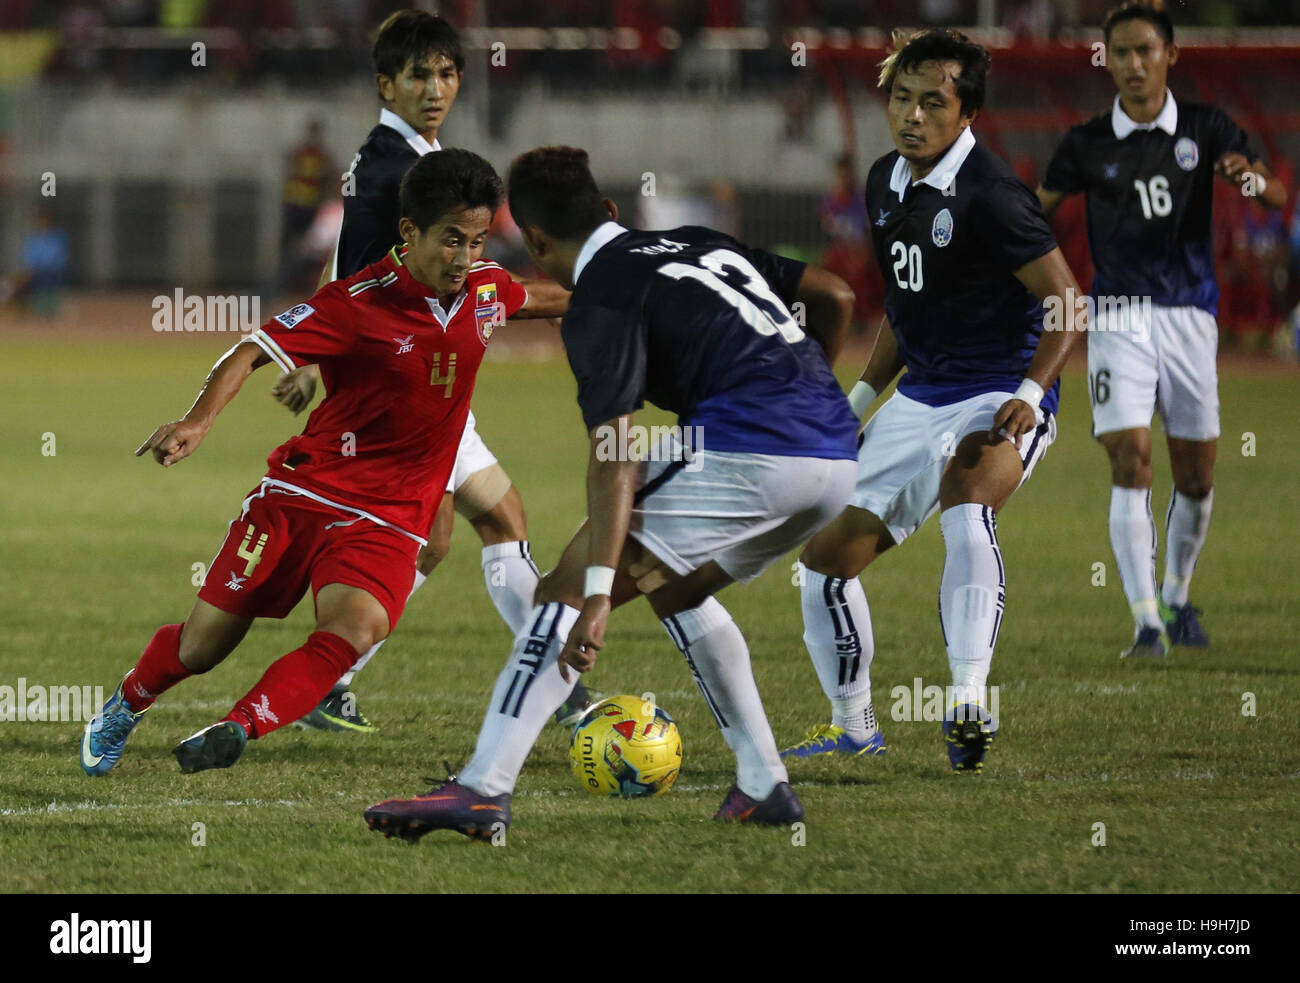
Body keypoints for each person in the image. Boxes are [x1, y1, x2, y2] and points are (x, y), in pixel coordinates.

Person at [363, 146, 860, 839]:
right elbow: (834, 294)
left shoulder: (602, 296)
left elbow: (614, 455)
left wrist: (595, 592)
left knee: (558, 592)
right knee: (676, 589)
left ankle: (481, 788)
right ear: (610, 211)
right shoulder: (696, 241)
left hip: (756, 450)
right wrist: (812, 397)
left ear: (533, 243)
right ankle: (763, 783)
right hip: (837, 452)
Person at [80, 149, 568, 777]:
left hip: (391, 515)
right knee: (202, 646)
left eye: (476, 241)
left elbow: (545, 297)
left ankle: (239, 725)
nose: (465, 258)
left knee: (356, 629)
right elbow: (249, 352)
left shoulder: (486, 289)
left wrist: (626, 292)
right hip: (303, 494)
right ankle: (128, 702)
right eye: (452, 240)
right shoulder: (354, 303)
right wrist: (198, 419)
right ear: (410, 232)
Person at [271, 10, 590, 731]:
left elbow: (344, 266)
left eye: (447, 72)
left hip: (413, 377)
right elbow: (354, 274)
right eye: (420, 74)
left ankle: (334, 671)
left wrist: (321, 360)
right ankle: (560, 687)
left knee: (439, 536)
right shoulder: (394, 166)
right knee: (501, 519)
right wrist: (319, 360)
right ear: (388, 83)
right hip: (406, 386)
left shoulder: (392, 159)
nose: (436, 87)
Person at [782, 27, 1085, 773]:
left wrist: (1029, 390)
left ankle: (968, 699)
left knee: (967, 493)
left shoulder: (993, 193)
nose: (911, 115)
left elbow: (1066, 302)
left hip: (999, 389)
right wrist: (855, 400)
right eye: (901, 98)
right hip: (919, 394)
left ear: (967, 112)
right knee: (823, 562)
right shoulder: (886, 180)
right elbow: (904, 307)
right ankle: (853, 727)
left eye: (932, 103)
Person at [1036, 2, 1286, 657]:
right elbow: (1034, 215)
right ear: (1108, 59)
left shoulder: (1205, 126)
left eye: (1145, 51)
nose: (1133, 64)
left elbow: (1277, 195)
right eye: (1119, 53)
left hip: (1189, 320)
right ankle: (1145, 620)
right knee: (1130, 459)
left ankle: (1176, 596)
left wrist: (1251, 177)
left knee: (1197, 476)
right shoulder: (1085, 142)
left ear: (1170, 55)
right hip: (1117, 315)